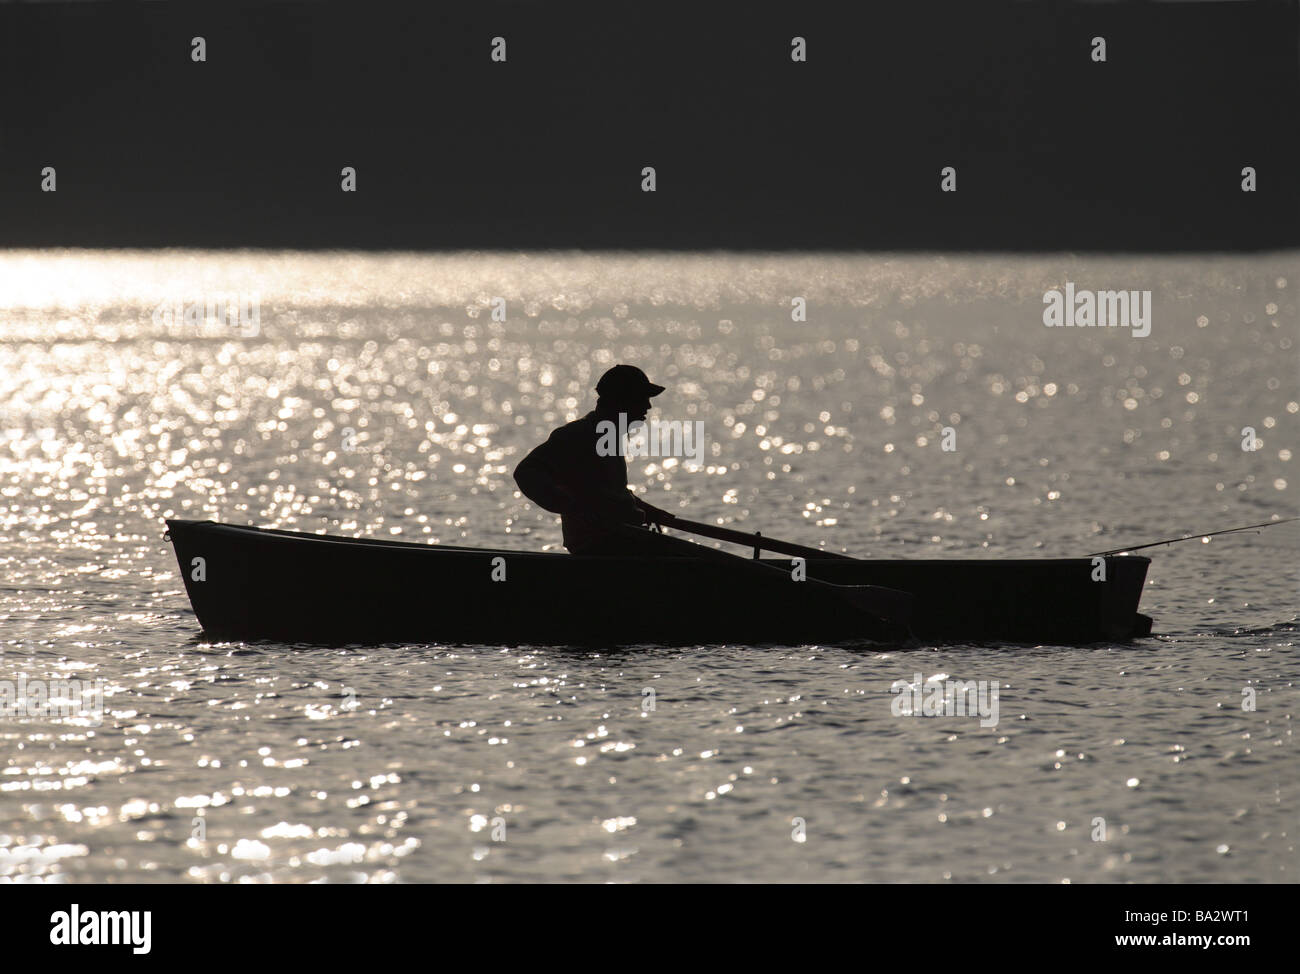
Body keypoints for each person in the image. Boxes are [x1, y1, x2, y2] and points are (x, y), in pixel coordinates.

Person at [513, 364, 680, 555]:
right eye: (642, 398)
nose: (648, 406)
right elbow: (526, 472)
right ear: (622, 401)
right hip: (600, 547)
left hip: (623, 541)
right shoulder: (579, 434)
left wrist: (644, 510)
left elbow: (604, 493)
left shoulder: (608, 437)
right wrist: (570, 506)